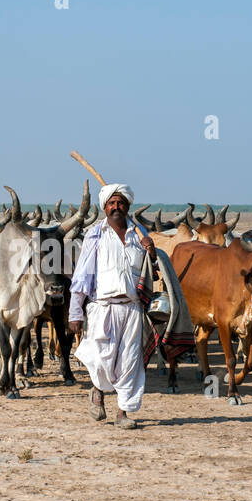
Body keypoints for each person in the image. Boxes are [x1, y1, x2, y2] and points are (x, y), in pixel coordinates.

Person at [67, 183, 157, 429]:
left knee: (130, 361)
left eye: (121, 203)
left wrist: (152, 253)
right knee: (101, 357)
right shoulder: (95, 234)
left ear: (128, 207)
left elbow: (152, 274)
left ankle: (123, 414)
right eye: (112, 203)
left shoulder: (139, 237)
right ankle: (97, 391)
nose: (116, 207)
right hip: (103, 306)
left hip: (132, 308)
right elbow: (82, 276)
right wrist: (75, 312)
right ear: (105, 207)